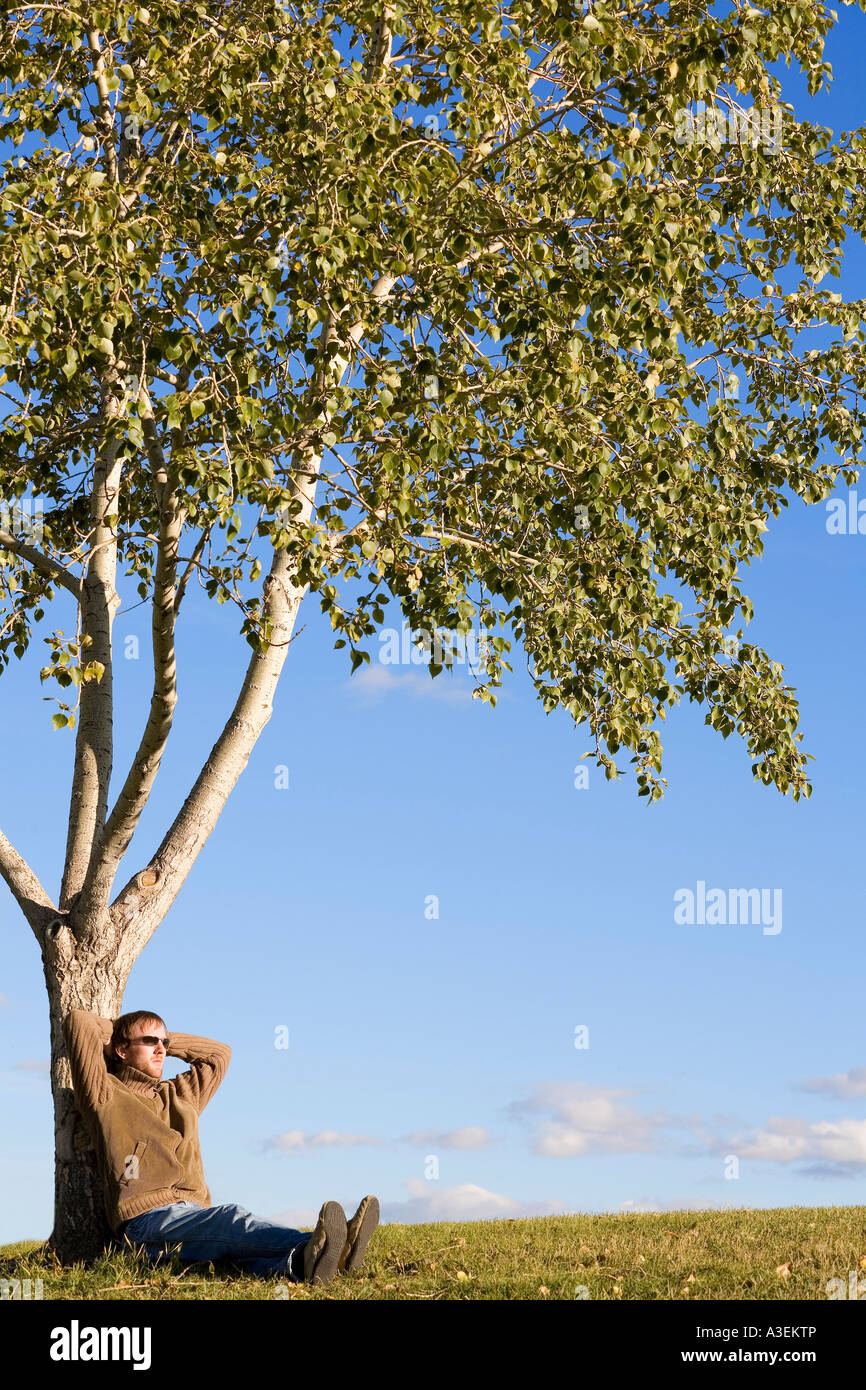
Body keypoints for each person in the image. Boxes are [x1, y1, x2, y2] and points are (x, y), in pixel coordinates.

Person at [62, 1007, 379, 1285]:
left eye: (165, 1043)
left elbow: (218, 1054)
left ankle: (303, 1263)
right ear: (120, 1049)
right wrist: (119, 1028)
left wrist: (162, 1040)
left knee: (234, 1254)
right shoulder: (106, 1095)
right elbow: (78, 1023)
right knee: (231, 1219)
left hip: (193, 1210)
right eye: (150, 1042)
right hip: (146, 1221)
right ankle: (319, 1246)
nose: (161, 1049)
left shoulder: (180, 1095)